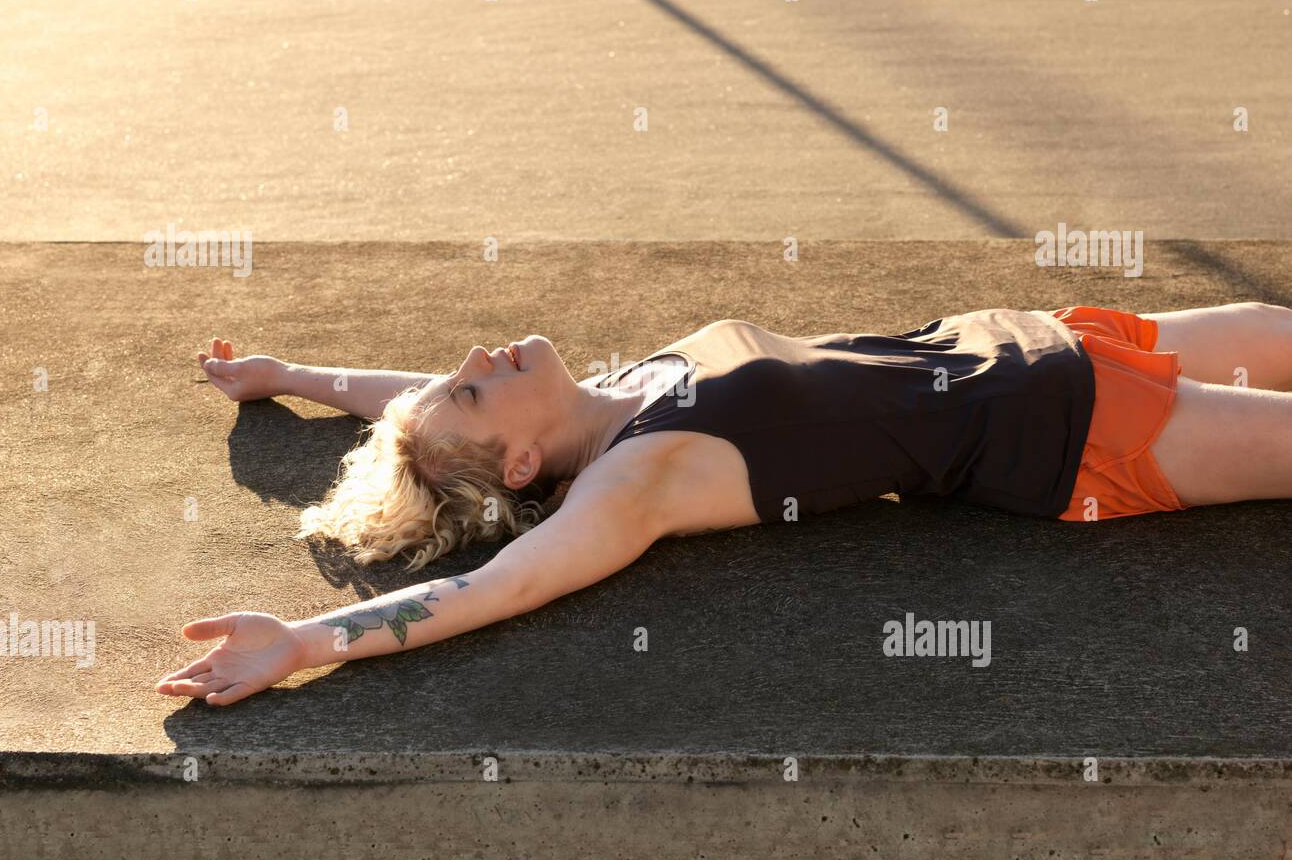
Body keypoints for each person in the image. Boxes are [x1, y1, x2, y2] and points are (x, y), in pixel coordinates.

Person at [156, 302, 1292, 706]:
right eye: (470, 388)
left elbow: (405, 398)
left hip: (1038, 344)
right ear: (516, 469)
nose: (468, 355)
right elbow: (496, 586)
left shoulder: (629, 389)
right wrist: (302, 642)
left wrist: (287, 377)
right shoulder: (639, 477)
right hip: (1072, 434)